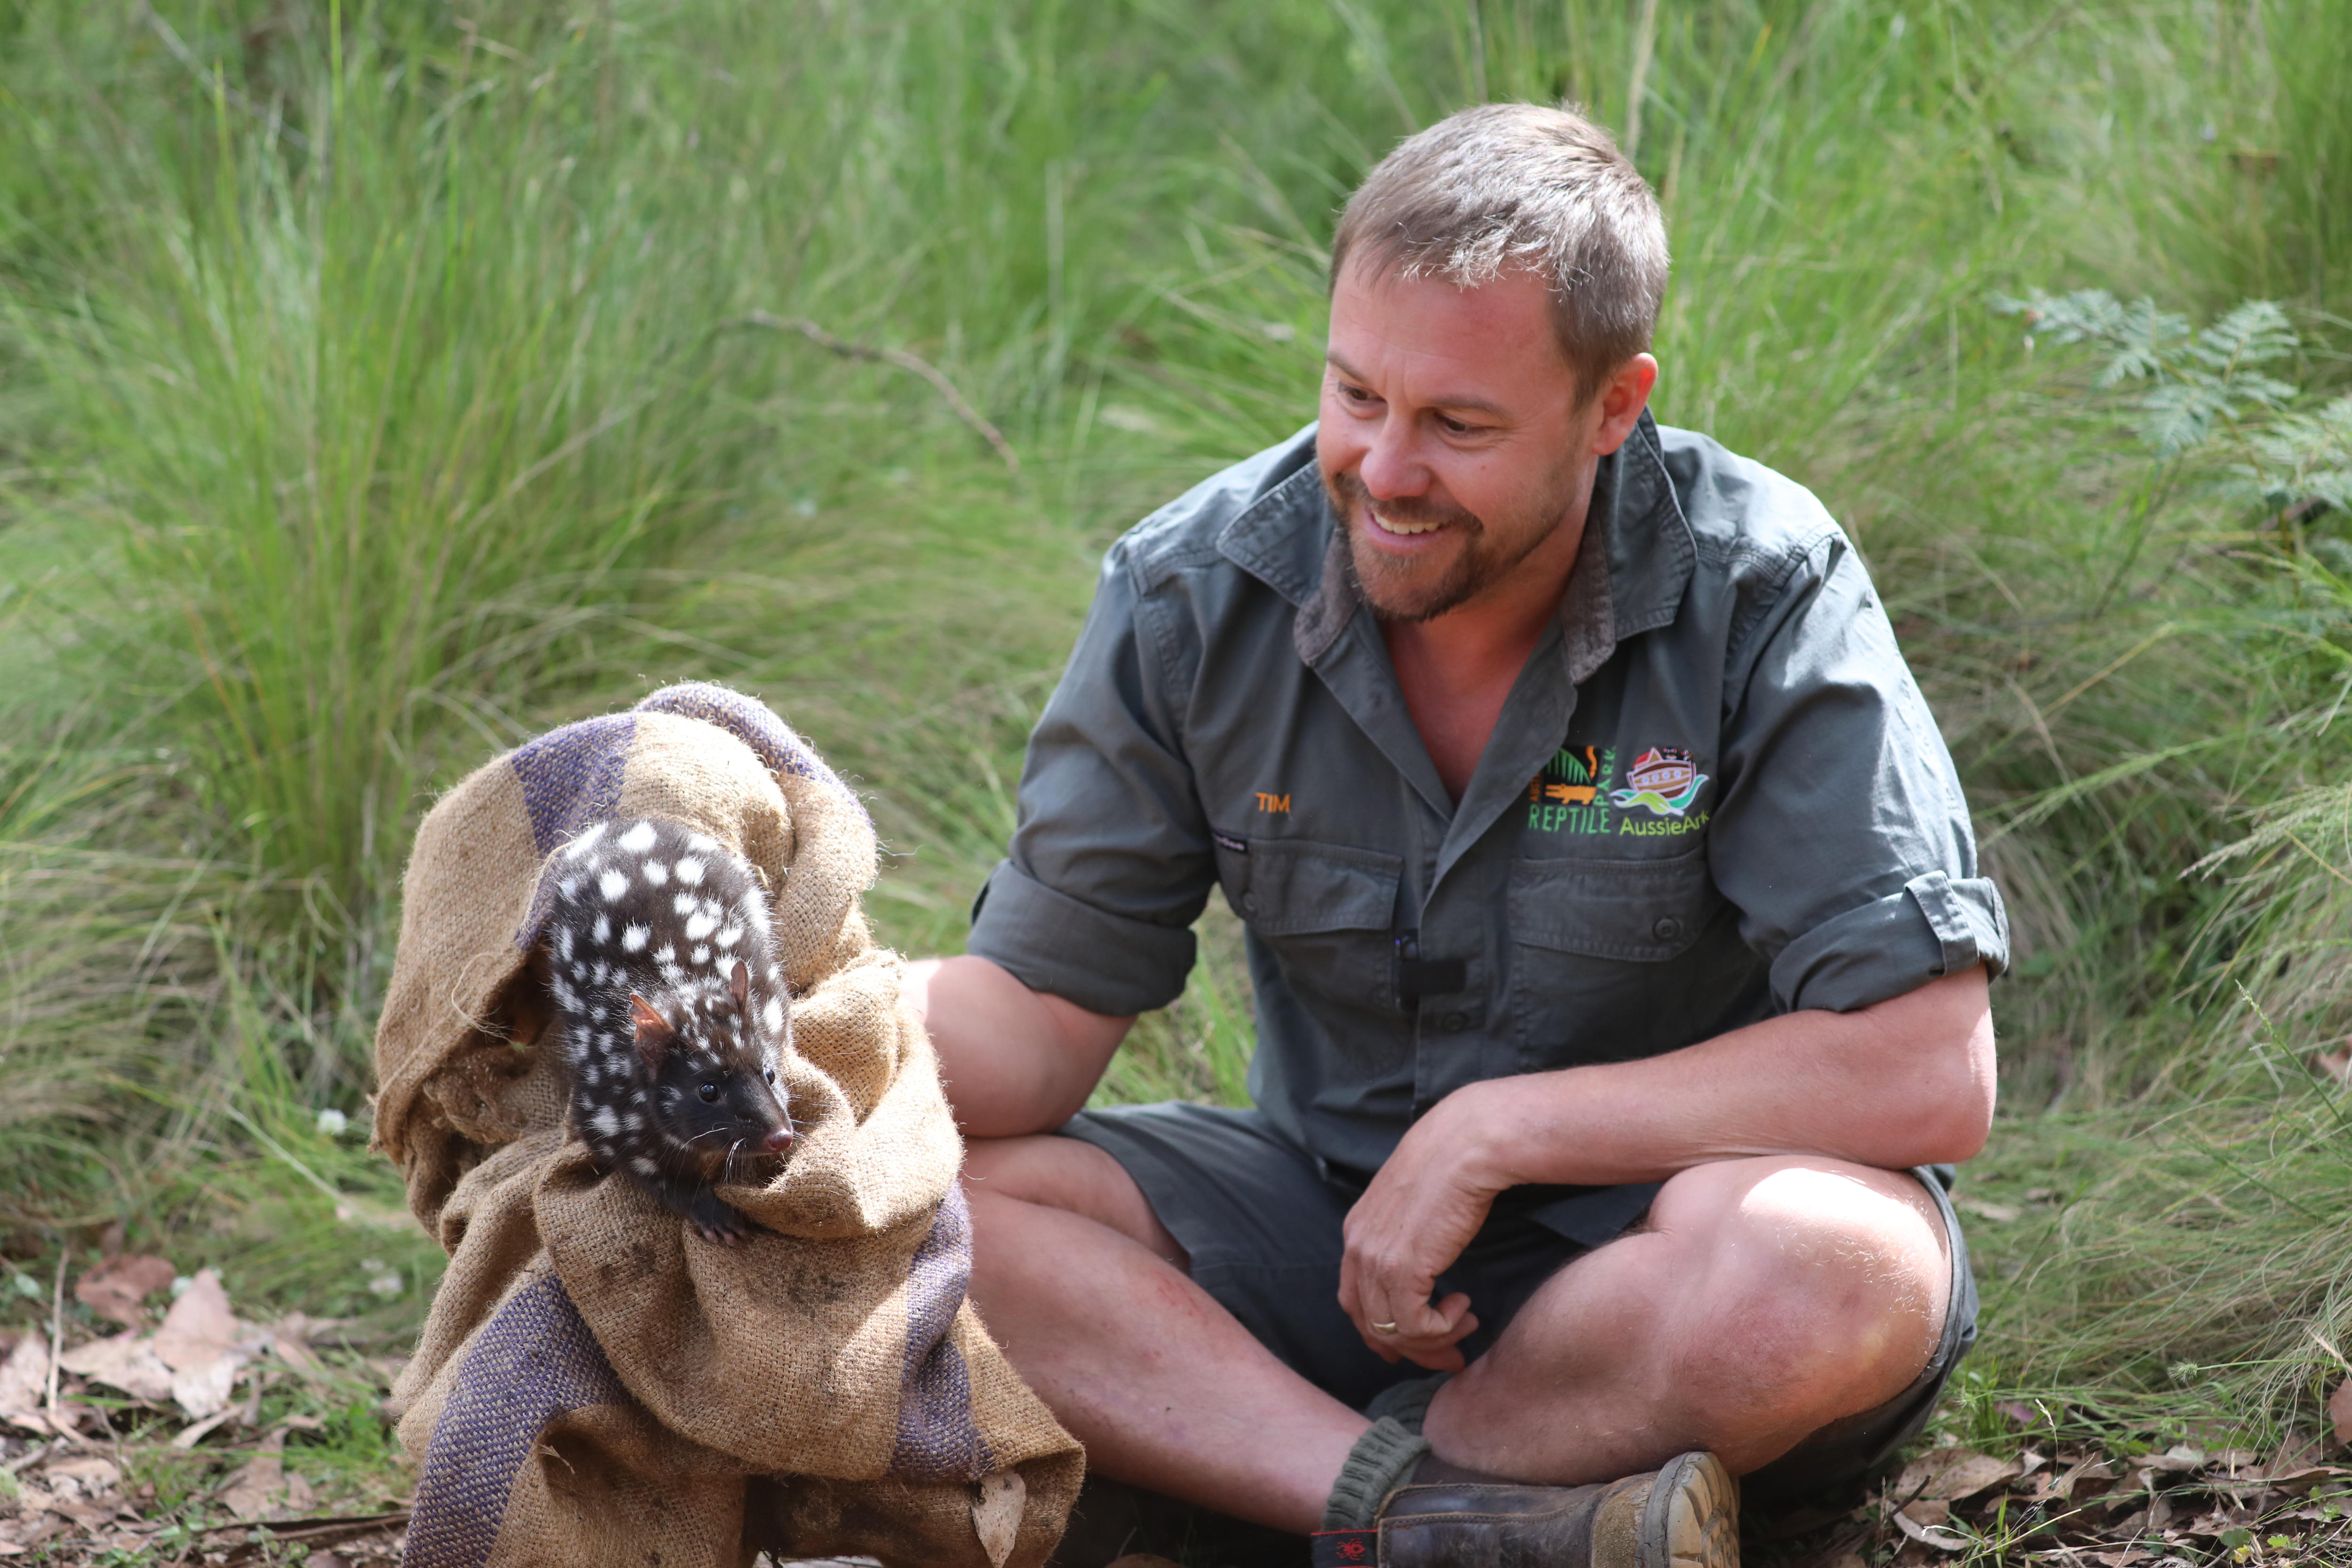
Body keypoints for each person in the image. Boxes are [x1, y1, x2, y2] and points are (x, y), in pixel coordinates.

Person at [906, 102, 2005, 1568]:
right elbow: (1039, 1018)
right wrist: (793, 1033)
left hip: (1652, 1270)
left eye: (1459, 425)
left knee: (1831, 1269)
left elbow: (1927, 1068)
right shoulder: (1192, 596)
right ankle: (1425, 1521)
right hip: (1316, 1244)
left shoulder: (1763, 588)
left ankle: (1274, 1472)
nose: (1384, 471)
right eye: (1354, 394)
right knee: (923, 1212)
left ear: (1615, 408)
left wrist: (1499, 1135)